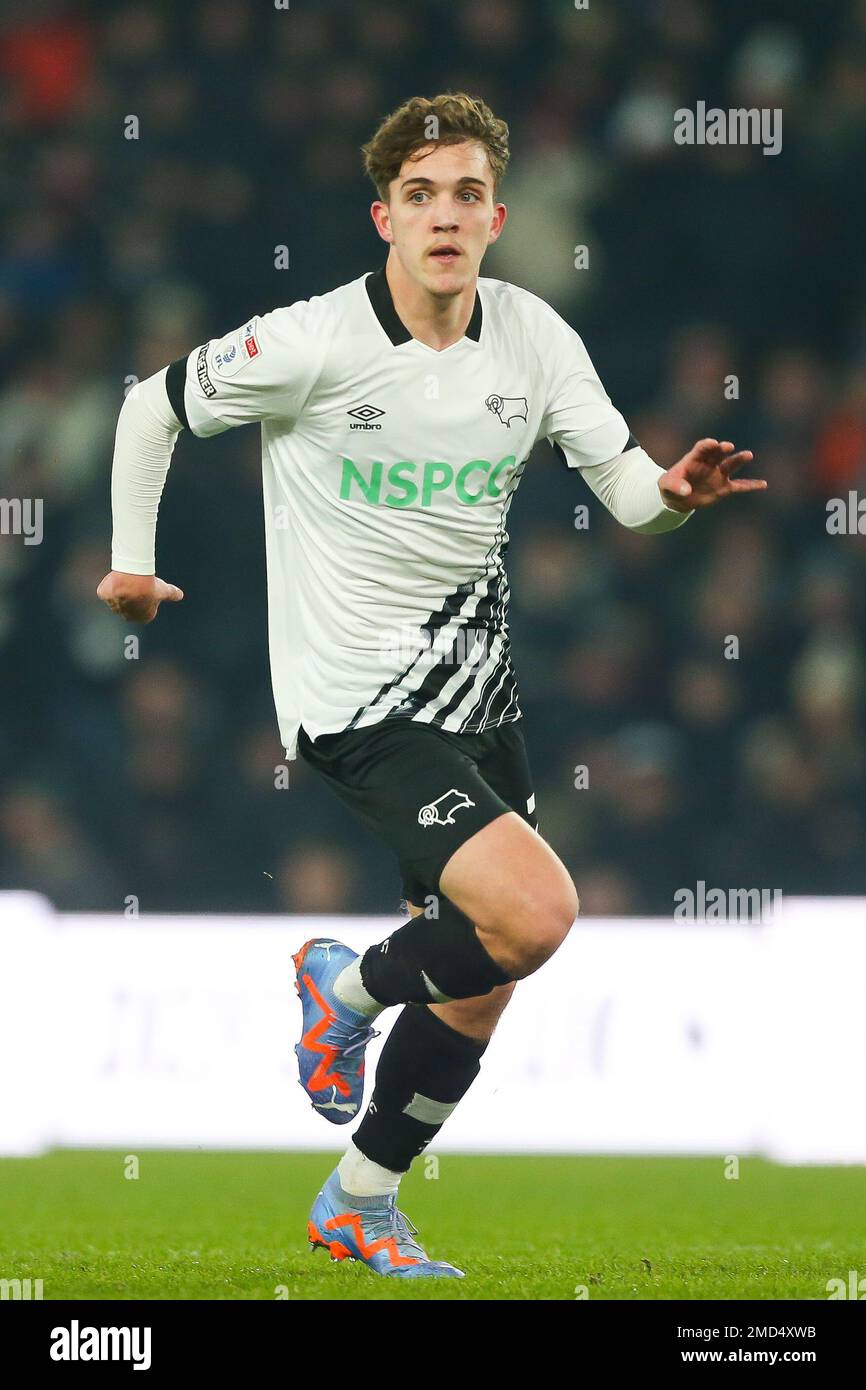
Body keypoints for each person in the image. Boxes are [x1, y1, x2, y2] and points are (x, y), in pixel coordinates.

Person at [98, 92, 765, 1279]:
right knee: (538, 915)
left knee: (484, 970)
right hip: (354, 700)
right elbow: (149, 407)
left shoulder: (533, 339)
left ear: (496, 216)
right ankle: (340, 989)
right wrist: (136, 569)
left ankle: (358, 1198)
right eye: (420, 195)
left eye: (464, 194)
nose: (443, 215)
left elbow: (618, 486)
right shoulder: (310, 341)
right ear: (384, 218)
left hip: (479, 701)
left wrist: (669, 493)